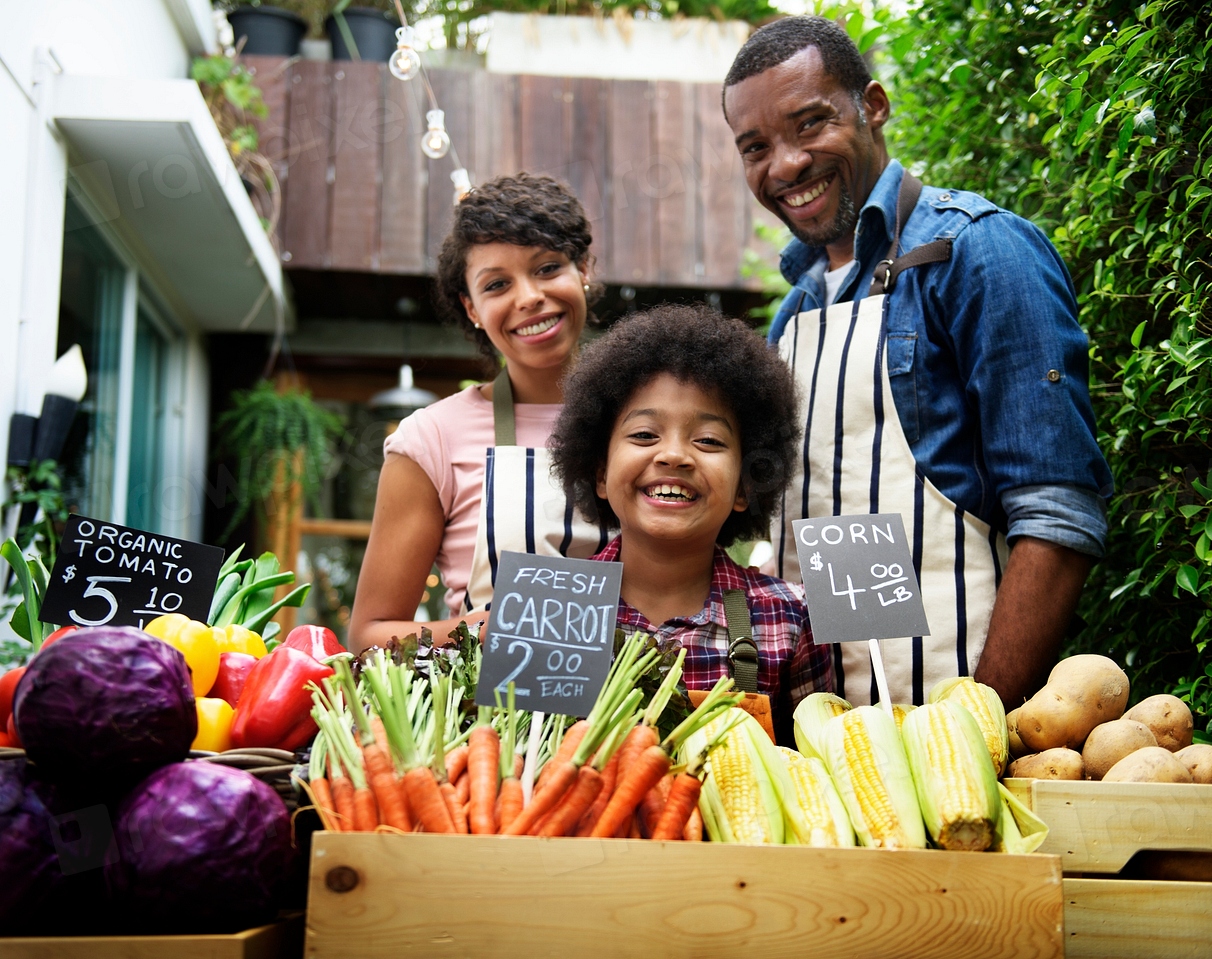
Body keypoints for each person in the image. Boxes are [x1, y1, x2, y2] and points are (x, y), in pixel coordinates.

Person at [722, 17, 1113, 708]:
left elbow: (1058, 516)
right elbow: (823, 530)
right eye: (756, 147)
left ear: (872, 107)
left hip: (965, 731)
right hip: (823, 741)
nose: (783, 165)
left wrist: (976, 728)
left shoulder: (979, 252)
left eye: (810, 124)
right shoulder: (793, 318)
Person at [550, 304, 834, 744]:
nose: (674, 455)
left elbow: (816, 770)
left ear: (746, 483)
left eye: (708, 441)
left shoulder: (792, 617)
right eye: (645, 435)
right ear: (601, 473)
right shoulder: (547, 608)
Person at [350, 174, 610, 653]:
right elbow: (370, 635)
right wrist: (488, 629)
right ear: (472, 307)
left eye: (548, 267)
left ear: (584, 269)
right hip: (495, 716)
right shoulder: (431, 438)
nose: (528, 296)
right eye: (497, 284)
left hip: (646, 712)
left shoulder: (645, 419)